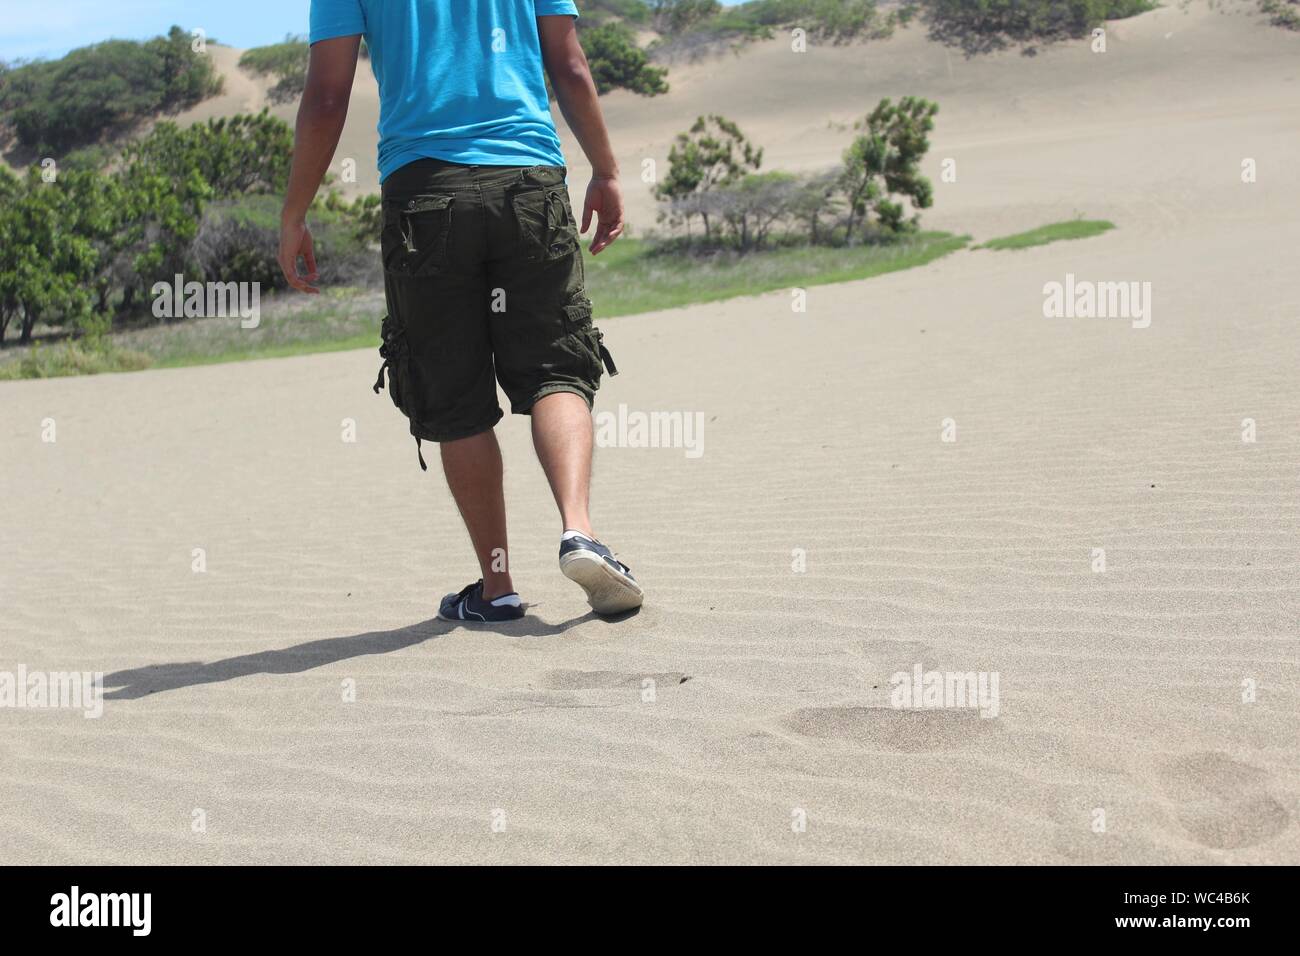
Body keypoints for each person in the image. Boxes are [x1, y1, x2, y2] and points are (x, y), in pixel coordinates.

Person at [278, 1, 643, 621]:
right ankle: (578, 531)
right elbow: (571, 65)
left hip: (425, 193)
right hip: (527, 180)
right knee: (555, 367)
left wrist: (294, 213)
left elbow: (327, 96)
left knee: (452, 393)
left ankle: (497, 586)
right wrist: (605, 169)